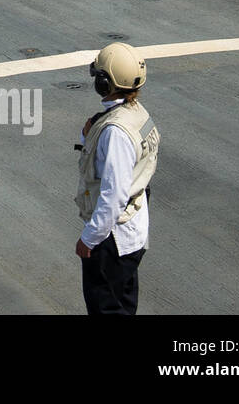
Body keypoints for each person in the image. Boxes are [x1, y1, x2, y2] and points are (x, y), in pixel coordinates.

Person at [74, 42, 160, 315]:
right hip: (134, 228)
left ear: (104, 82)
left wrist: (89, 238)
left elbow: (113, 195)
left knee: (106, 309)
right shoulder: (136, 114)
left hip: (112, 238)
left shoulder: (115, 131)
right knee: (123, 304)